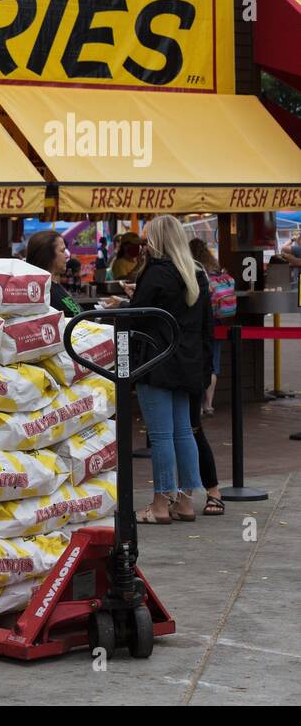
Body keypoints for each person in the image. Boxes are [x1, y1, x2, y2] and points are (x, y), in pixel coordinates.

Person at [110, 215, 205, 524]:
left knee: (161, 435)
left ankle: (160, 504)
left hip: (156, 360)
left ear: (157, 240)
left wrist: (123, 306)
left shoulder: (156, 273)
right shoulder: (195, 273)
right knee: (183, 432)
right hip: (186, 361)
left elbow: (138, 317)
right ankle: (186, 502)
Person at [188, 240, 224, 515]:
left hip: (180, 367)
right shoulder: (199, 274)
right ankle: (206, 492)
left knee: (187, 431)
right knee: (191, 430)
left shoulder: (191, 275)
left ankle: (190, 495)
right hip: (192, 365)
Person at [189, 239, 232, 416]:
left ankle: (197, 406)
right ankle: (209, 405)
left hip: (198, 322)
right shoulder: (214, 266)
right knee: (213, 365)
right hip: (217, 321)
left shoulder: (192, 267)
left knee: (197, 363)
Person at [25, 229, 81, 316]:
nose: (67, 256)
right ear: (48, 255)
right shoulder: (41, 293)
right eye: (62, 251)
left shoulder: (53, 285)